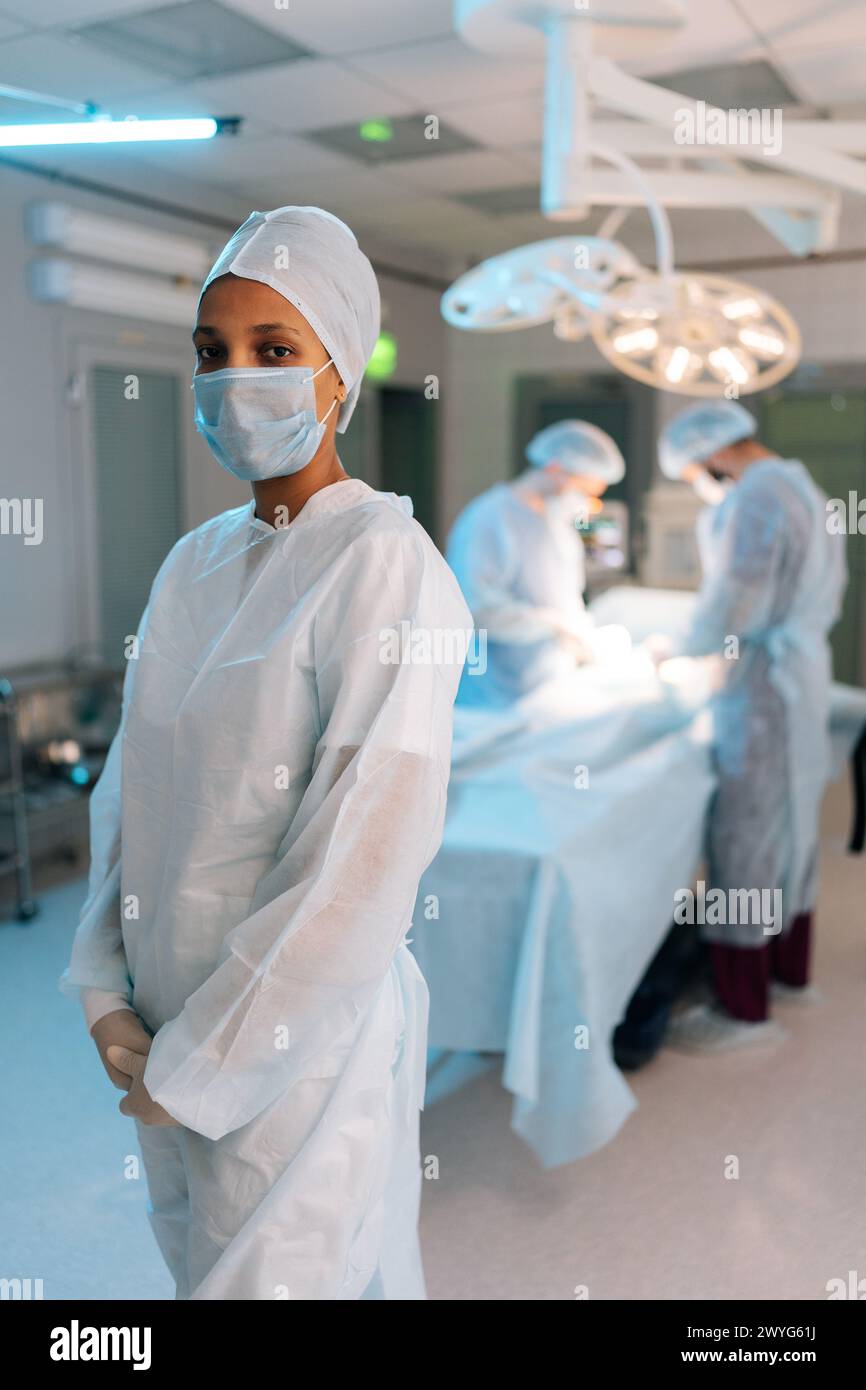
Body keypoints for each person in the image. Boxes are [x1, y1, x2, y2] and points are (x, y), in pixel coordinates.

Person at [60, 205, 472, 1300]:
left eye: (273, 351)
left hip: (291, 1047)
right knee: (197, 1264)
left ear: (337, 373)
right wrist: (105, 986)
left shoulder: (383, 563)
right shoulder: (194, 562)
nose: (234, 380)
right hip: (158, 1017)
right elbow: (129, 790)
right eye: (212, 353)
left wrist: (211, 1060)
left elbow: (360, 863)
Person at [656, 400, 847, 1051]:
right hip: (800, 678)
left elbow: (732, 602)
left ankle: (743, 1008)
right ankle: (788, 973)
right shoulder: (799, 483)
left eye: (694, 472)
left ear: (711, 453)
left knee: (745, 842)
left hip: (762, 686)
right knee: (791, 831)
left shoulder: (753, 500)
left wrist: (676, 647)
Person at [446, 419, 626, 707]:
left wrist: (579, 635)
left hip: (548, 685)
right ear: (555, 468)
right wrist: (552, 623)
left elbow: (564, 598)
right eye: (585, 490)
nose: (589, 503)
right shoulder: (490, 519)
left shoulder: (557, 524)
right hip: (495, 693)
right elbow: (475, 608)